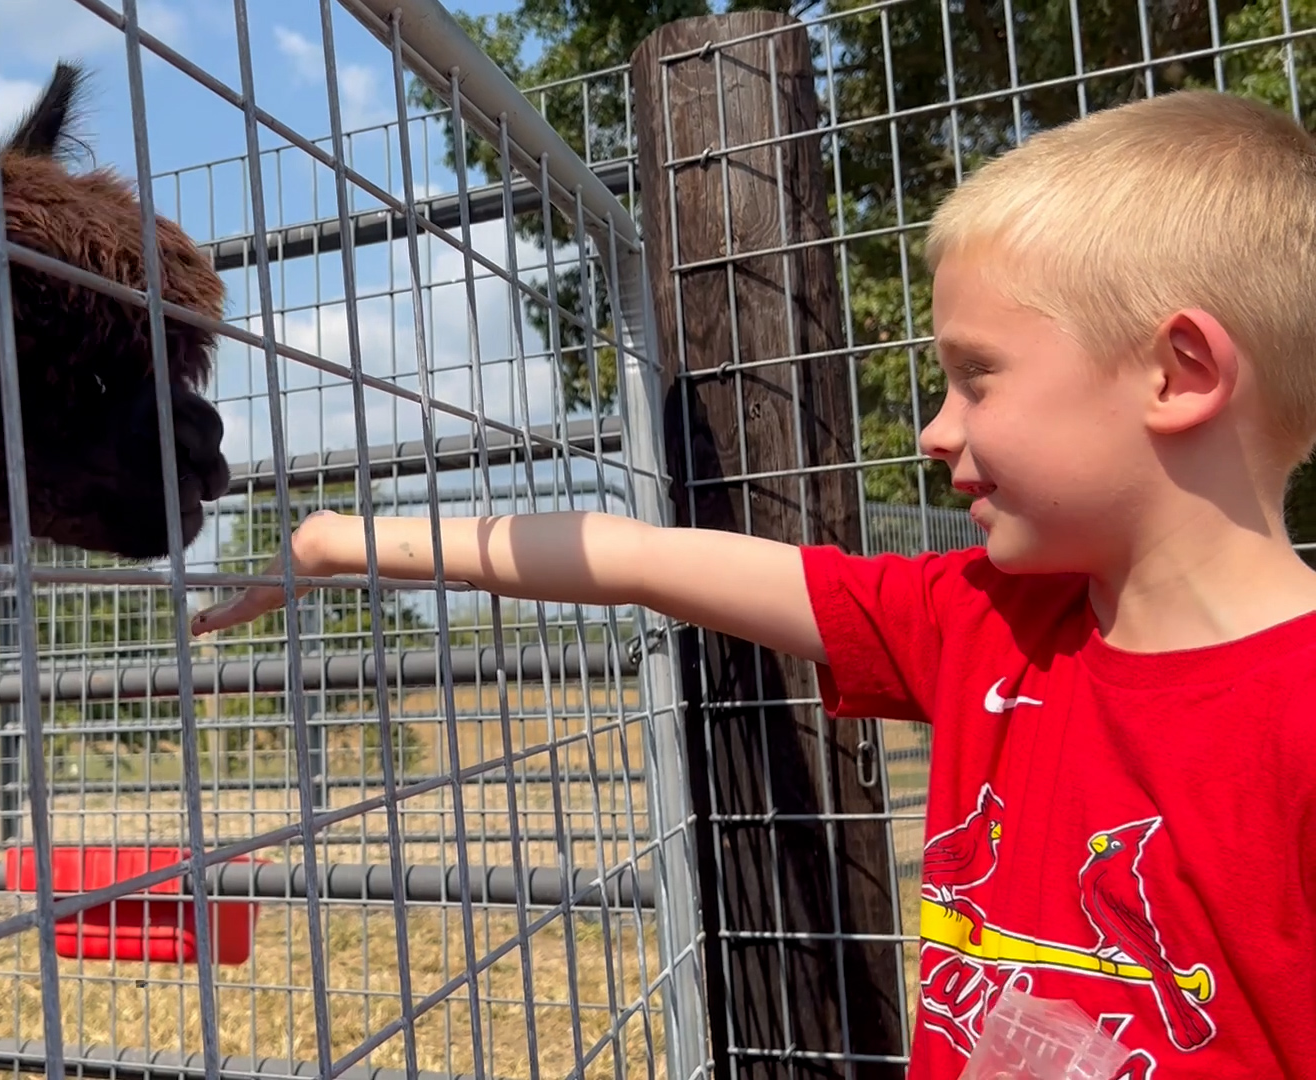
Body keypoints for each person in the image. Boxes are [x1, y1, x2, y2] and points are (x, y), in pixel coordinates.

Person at [189, 89, 1316, 1078]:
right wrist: (346, 543)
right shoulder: (981, 621)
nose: (934, 430)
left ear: (1180, 373)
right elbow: (637, 559)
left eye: (977, 378)